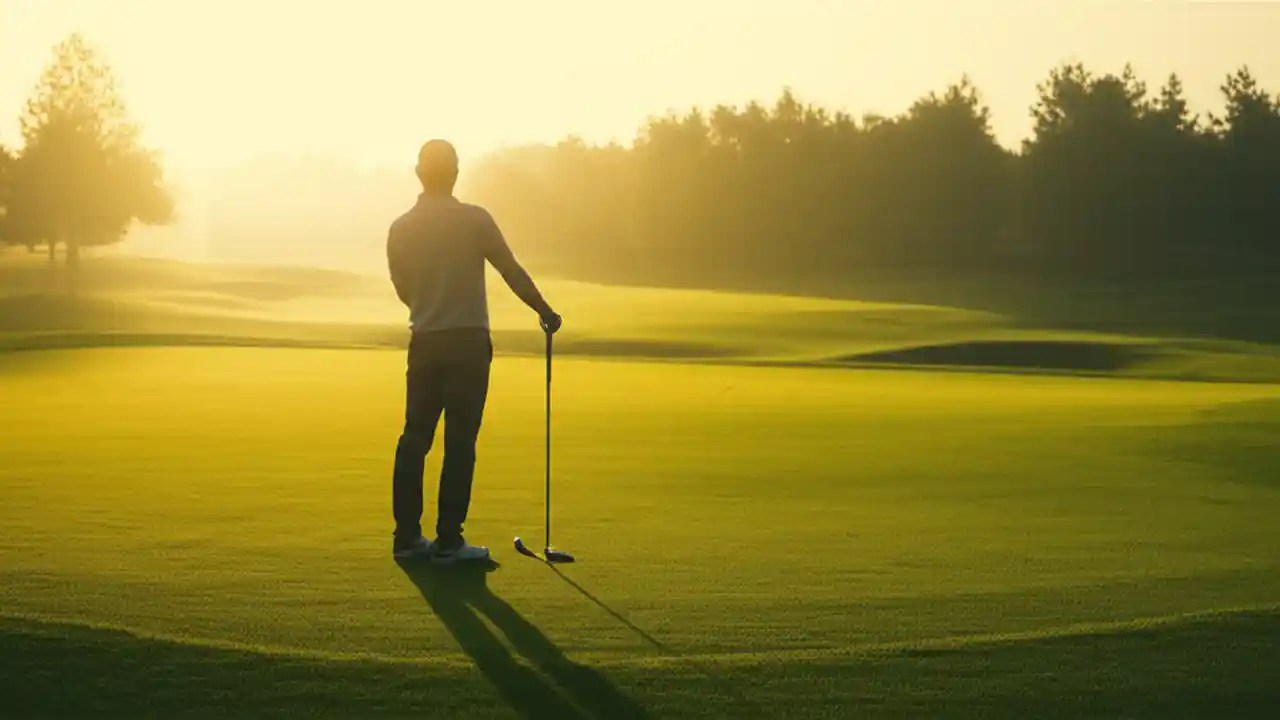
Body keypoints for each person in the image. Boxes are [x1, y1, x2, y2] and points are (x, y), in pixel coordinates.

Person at [388, 139, 561, 564]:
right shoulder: (474, 220)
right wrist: (544, 310)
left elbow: (402, 288)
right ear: (455, 173)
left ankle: (407, 538)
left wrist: (429, 307)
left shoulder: (401, 227)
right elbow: (510, 270)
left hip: (425, 340)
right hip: (467, 342)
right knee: (460, 441)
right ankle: (449, 540)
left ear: (418, 173)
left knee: (415, 438)